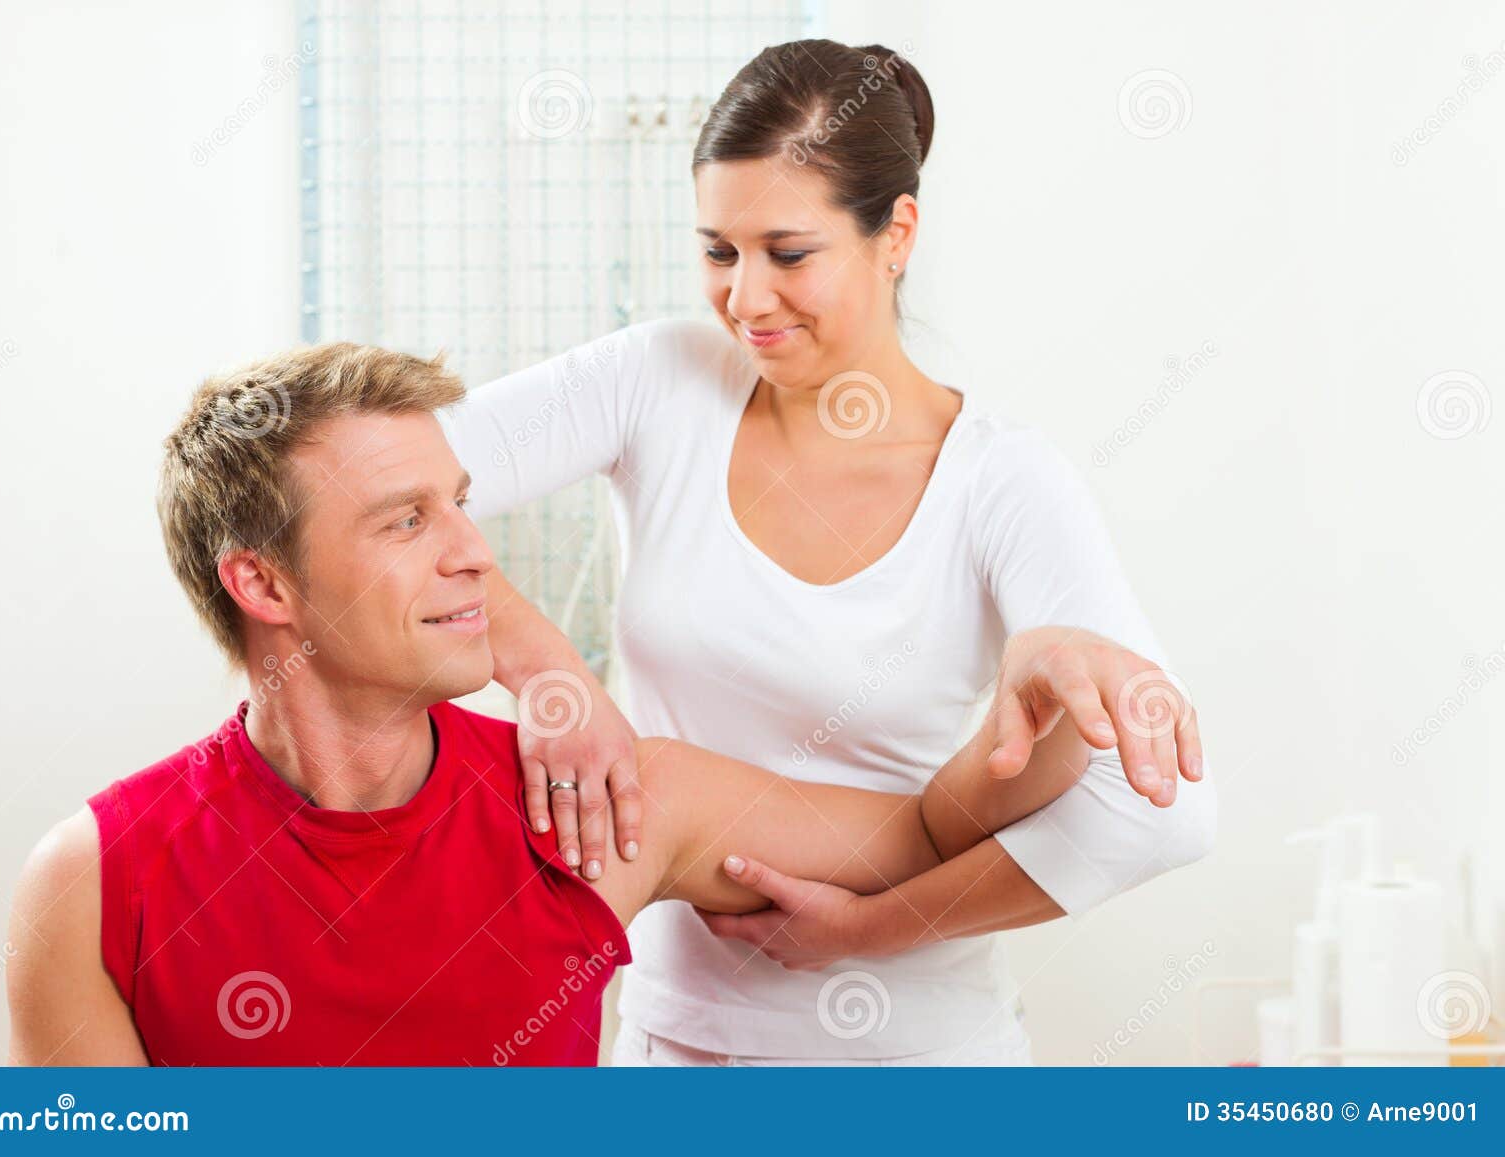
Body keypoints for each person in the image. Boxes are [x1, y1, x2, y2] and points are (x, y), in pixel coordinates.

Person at [4, 342, 1162, 1067]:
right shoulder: (94, 878)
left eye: (461, 504)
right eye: (407, 521)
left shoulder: (610, 808)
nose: (473, 552)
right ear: (260, 582)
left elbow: (921, 834)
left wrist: (1044, 704)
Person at [435, 38, 1217, 1066]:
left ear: (896, 234)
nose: (746, 299)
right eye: (718, 250)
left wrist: (869, 928)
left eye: (788, 253)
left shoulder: (1002, 482)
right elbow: (386, 486)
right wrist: (549, 675)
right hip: (675, 1049)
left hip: (922, 1067)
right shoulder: (658, 380)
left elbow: (1161, 815)